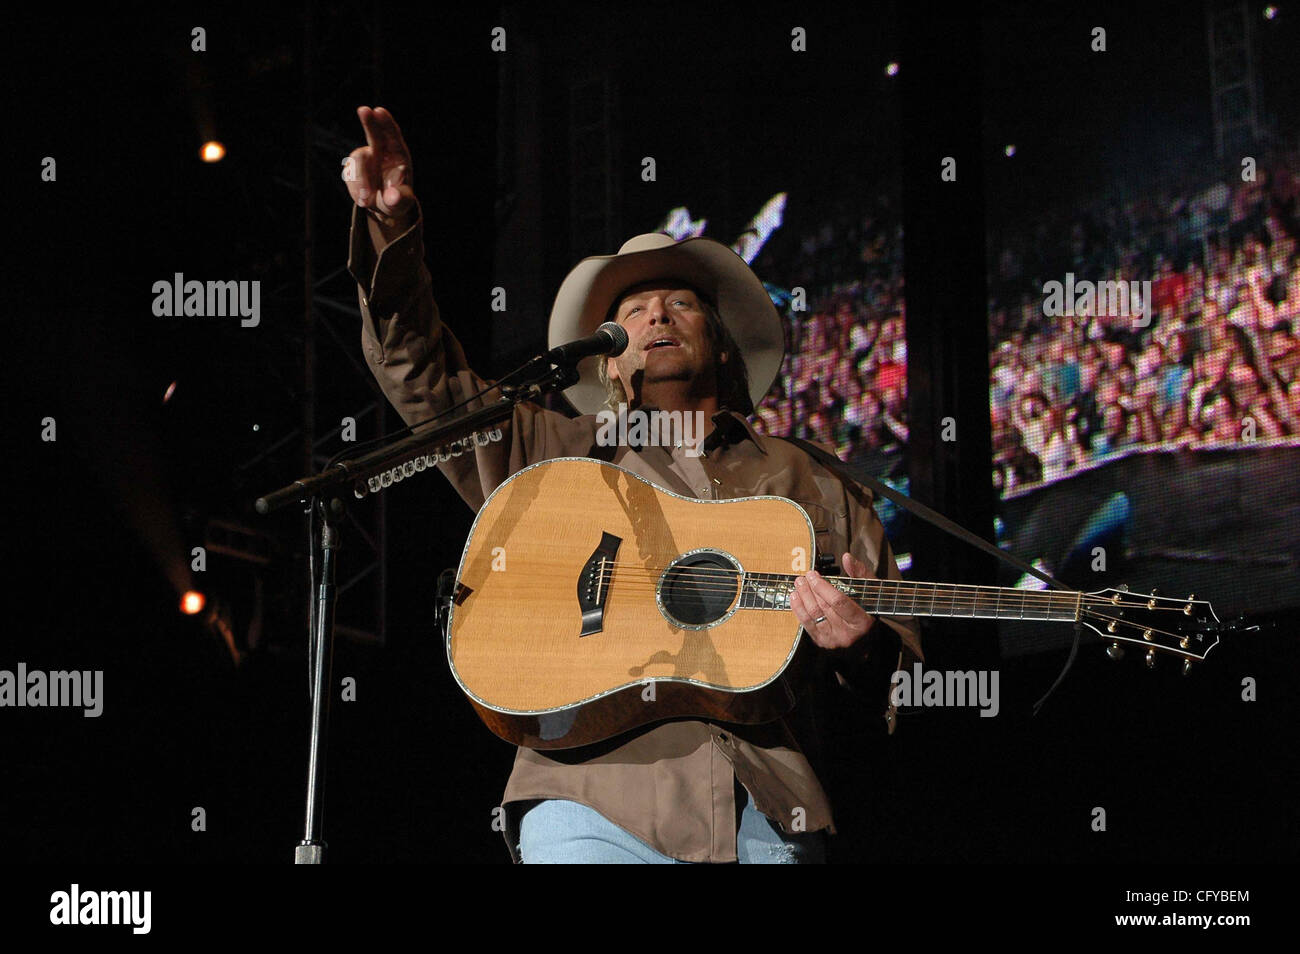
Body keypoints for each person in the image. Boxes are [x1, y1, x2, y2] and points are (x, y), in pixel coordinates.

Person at [343, 105, 921, 864]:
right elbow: (424, 376)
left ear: (719, 347)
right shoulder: (551, 453)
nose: (657, 315)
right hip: (585, 797)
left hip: (769, 812)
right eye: (634, 310)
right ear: (607, 362)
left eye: (681, 302)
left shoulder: (806, 475)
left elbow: (902, 668)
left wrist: (865, 648)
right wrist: (393, 231)